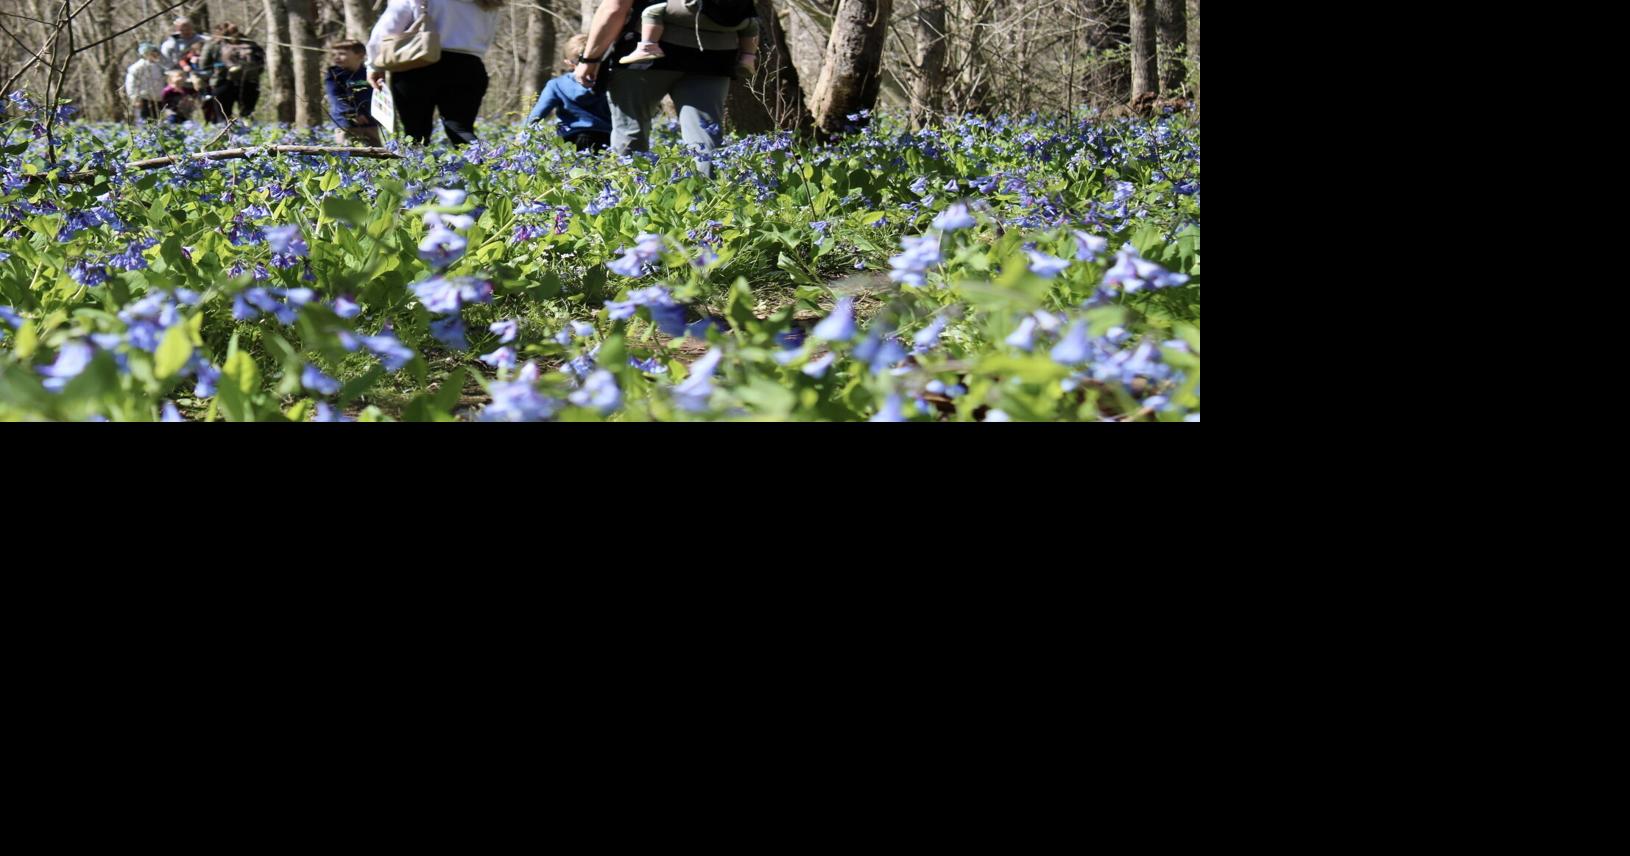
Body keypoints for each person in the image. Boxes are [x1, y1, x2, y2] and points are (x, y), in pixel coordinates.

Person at [575, 0, 754, 176]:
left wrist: (590, 59)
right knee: (705, 137)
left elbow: (615, 8)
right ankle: (711, 200)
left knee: (630, 133)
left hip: (645, 57)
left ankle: (629, 197)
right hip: (715, 55)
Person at [366, 0, 504, 146]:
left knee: (415, 133)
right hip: (469, 67)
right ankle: (485, 166)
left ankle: (415, 167)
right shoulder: (488, 2)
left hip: (419, 63)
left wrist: (373, 65)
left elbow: (387, 29)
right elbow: (487, 38)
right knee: (460, 129)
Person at [620, 1, 758, 79]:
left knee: (651, 12)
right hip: (735, 21)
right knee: (753, 24)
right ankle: (748, 58)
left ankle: (648, 47)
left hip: (697, 14)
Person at [526, 34, 613, 151]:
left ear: (568, 62)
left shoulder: (556, 84)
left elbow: (536, 115)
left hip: (569, 140)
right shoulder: (611, 82)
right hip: (606, 140)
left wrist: (523, 135)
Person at [198, 21, 265, 122]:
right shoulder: (249, 43)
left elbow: (203, 65)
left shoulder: (215, 44)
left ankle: (237, 134)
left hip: (234, 82)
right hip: (237, 81)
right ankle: (238, 133)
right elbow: (204, 66)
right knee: (237, 114)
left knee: (233, 115)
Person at [326, 40, 382, 146]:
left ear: (360, 55)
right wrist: (353, 114)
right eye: (334, 54)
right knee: (348, 152)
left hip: (369, 121)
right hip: (345, 123)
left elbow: (378, 95)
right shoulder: (333, 74)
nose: (336, 57)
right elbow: (335, 97)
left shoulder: (368, 73)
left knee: (376, 152)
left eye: (342, 54)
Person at [125, 43, 166, 123]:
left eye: (156, 53)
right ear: (145, 54)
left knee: (157, 121)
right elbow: (131, 84)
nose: (156, 54)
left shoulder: (159, 67)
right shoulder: (137, 67)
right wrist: (134, 97)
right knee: (144, 121)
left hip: (158, 98)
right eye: (153, 53)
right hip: (143, 98)